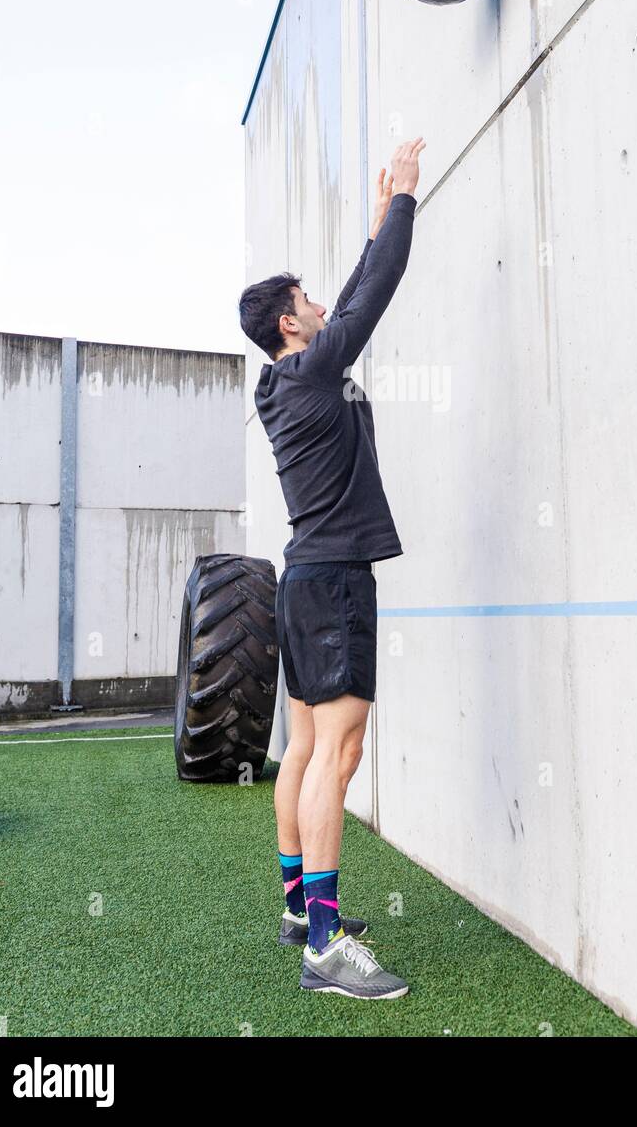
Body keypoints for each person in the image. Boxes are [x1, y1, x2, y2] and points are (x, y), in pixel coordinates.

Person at [238, 136, 426, 1000]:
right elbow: (372, 298)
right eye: (303, 299)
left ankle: (294, 908)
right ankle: (322, 947)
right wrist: (403, 205)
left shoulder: (283, 383)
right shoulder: (313, 374)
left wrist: (376, 218)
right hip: (335, 583)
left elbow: (345, 304)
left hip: (303, 581)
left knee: (308, 747)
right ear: (288, 322)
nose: (317, 305)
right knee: (337, 755)